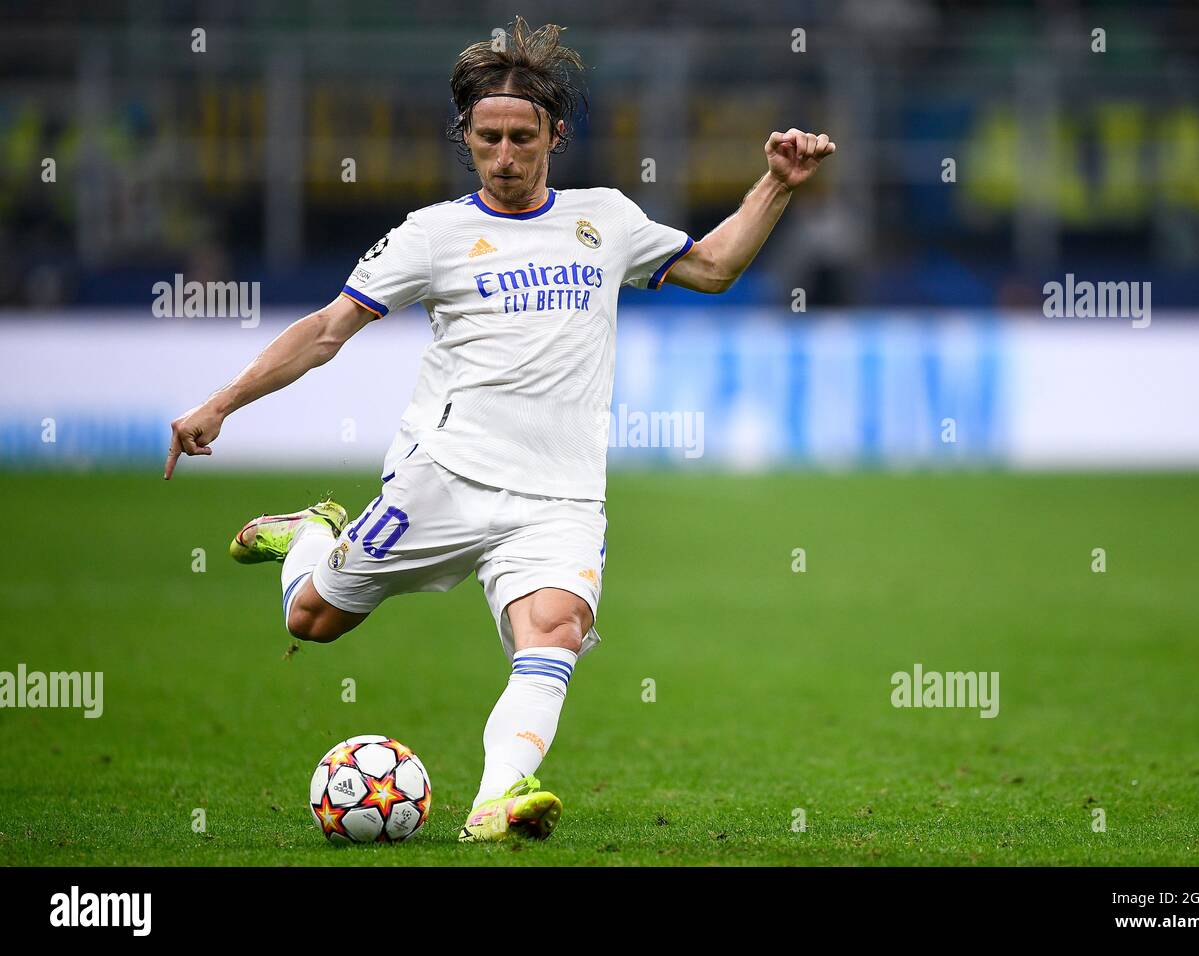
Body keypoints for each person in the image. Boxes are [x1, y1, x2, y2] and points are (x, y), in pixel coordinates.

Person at [163, 16, 835, 843]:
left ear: (556, 134)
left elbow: (715, 266)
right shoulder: (433, 235)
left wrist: (777, 184)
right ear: (467, 138)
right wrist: (221, 403)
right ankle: (311, 534)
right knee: (312, 619)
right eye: (489, 138)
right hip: (444, 474)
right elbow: (327, 329)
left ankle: (495, 802)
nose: (507, 155)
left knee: (553, 631)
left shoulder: (606, 220)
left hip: (560, 495)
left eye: (523, 136)